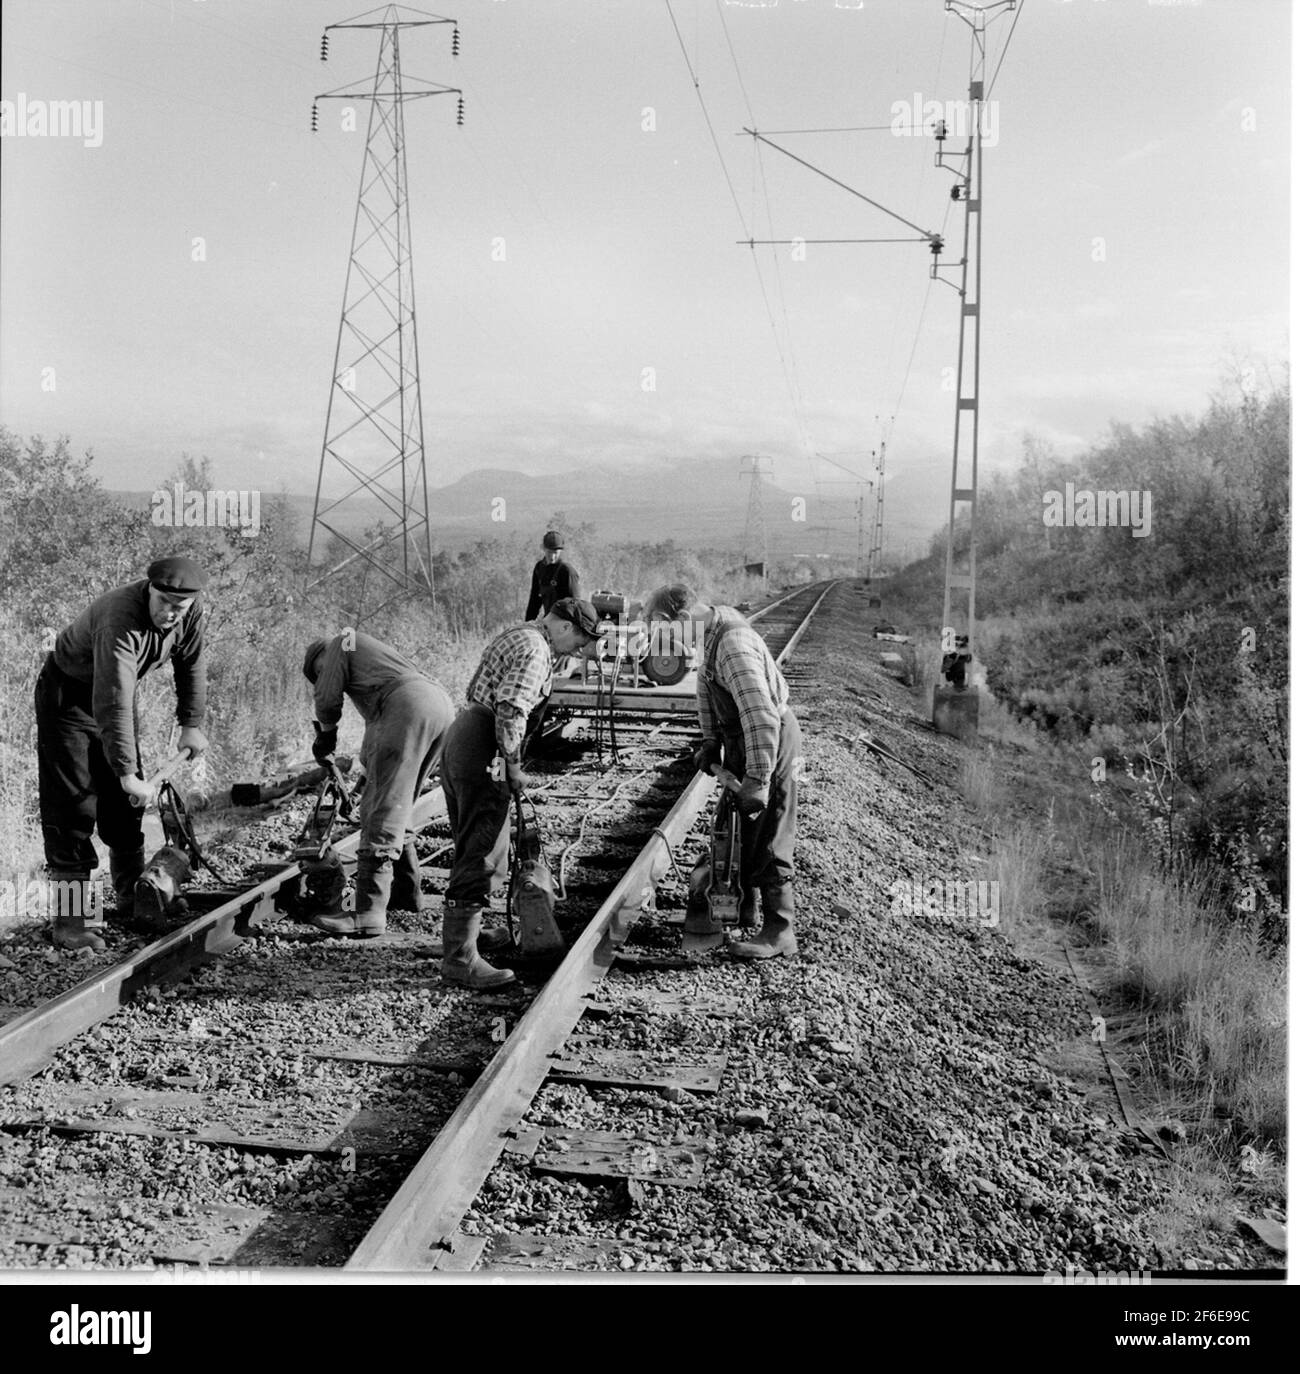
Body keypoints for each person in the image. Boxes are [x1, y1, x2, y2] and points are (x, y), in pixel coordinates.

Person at [35, 555, 210, 951]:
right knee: (73, 810)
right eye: (162, 601)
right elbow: (113, 698)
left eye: (177, 607)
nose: (169, 612)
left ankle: (133, 898)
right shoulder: (121, 618)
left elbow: (193, 664)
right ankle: (71, 923)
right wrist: (127, 771)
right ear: (150, 590)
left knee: (125, 805)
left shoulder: (191, 610)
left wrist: (191, 723)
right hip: (67, 699)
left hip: (113, 698)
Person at [441, 597, 603, 988]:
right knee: (480, 848)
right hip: (483, 747)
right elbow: (512, 708)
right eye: (580, 638)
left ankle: (471, 937)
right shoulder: (535, 649)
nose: (580, 648)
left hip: (467, 737)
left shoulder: (521, 633)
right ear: (563, 626)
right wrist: (512, 764)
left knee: (474, 842)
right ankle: (459, 960)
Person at [644, 583, 802, 960]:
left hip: (769, 740)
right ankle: (743, 909)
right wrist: (711, 741)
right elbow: (704, 686)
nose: (663, 644)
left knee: (768, 830)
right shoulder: (711, 625)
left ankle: (780, 931)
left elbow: (762, 718)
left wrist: (758, 779)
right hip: (742, 738)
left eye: (664, 632)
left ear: (682, 619)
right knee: (736, 826)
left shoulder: (732, 645)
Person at [302, 631, 456, 938]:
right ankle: (406, 893)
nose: (322, 677)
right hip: (438, 706)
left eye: (318, 672)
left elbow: (327, 695)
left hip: (409, 708)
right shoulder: (378, 668)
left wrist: (326, 734)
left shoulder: (339, 644)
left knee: (380, 810)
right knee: (401, 802)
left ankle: (368, 913)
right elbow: (376, 746)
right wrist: (361, 784)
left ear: (320, 660)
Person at [525, 530, 581, 621]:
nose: (552, 557)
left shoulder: (567, 571)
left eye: (556, 553)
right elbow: (534, 601)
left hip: (565, 623)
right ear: (543, 548)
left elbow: (575, 604)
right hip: (549, 620)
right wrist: (527, 624)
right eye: (549, 552)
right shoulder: (539, 568)